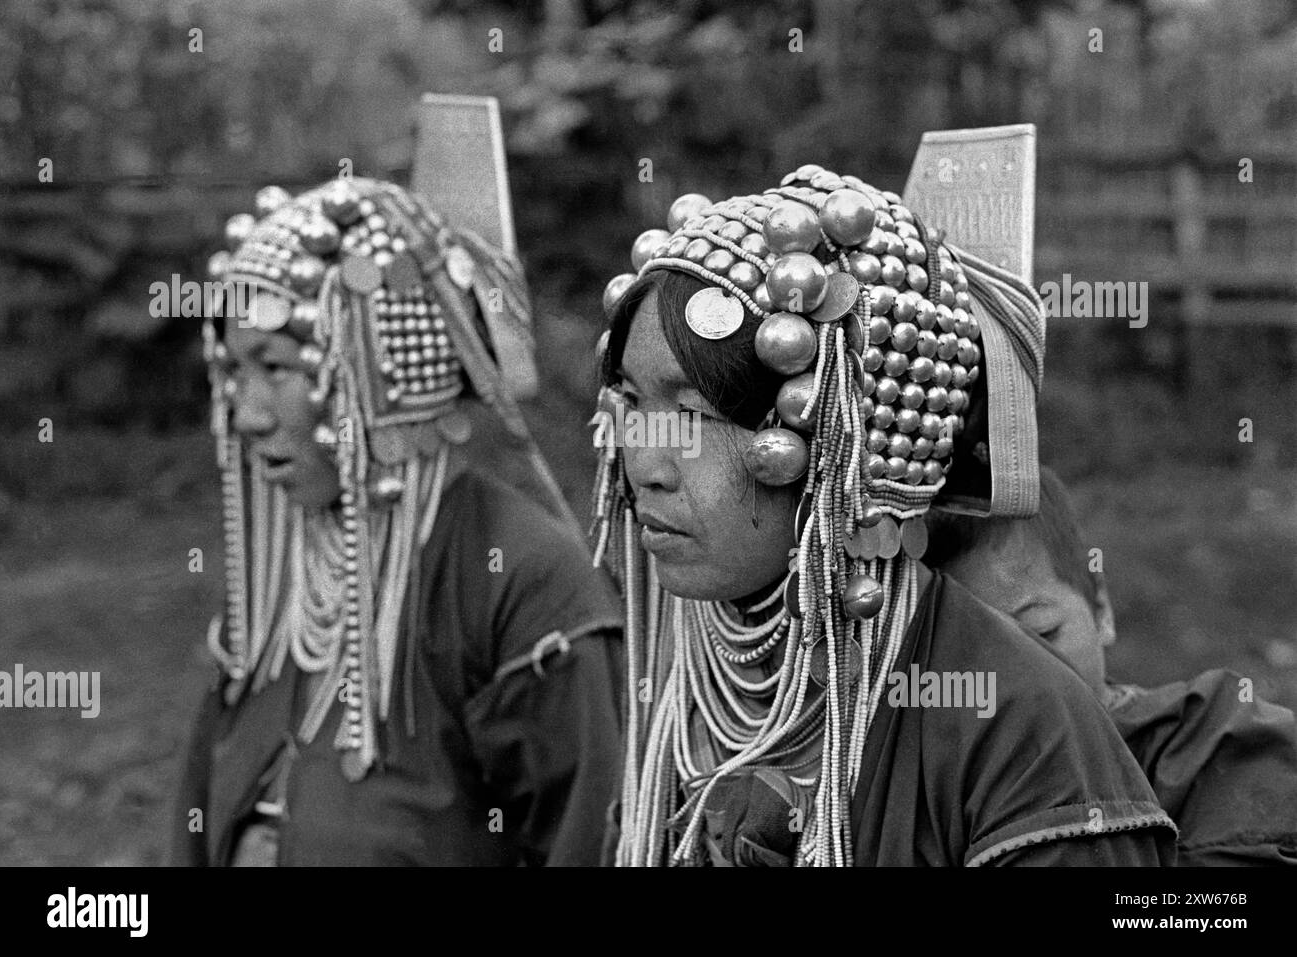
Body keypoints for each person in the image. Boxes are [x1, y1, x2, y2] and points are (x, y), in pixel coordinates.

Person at [588, 167, 1178, 866]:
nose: (644, 462)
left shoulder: (1019, 727)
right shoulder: (680, 677)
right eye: (631, 400)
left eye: (690, 412)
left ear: (843, 434)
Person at [171, 177, 623, 866]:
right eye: (235, 368)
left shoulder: (525, 582)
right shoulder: (273, 575)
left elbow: (587, 842)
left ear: (381, 374)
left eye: (277, 366)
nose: (247, 412)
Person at [926, 467, 1297, 865]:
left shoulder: (1225, 749)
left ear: (1100, 605)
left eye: (1042, 634)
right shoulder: (921, 794)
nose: (1023, 685)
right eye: (975, 666)